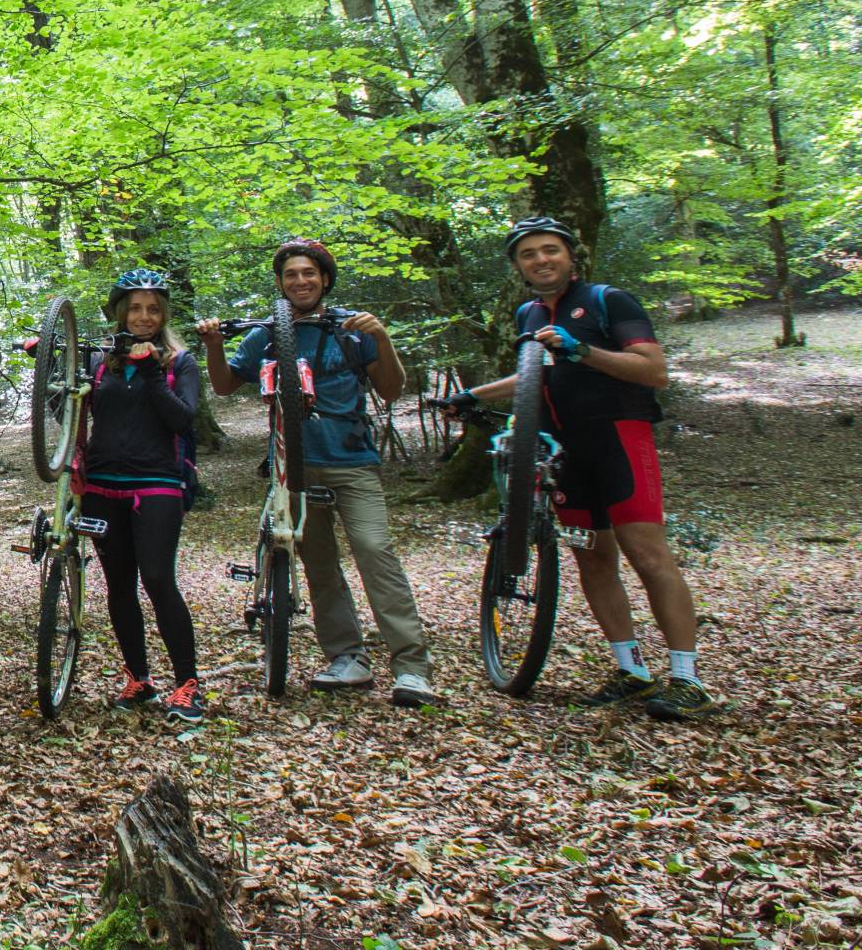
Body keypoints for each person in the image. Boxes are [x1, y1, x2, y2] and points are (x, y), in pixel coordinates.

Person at [442, 216, 710, 720]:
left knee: (649, 557)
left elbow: (654, 371)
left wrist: (583, 349)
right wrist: (469, 396)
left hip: (619, 440)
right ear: (518, 266)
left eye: (550, 251)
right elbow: (534, 376)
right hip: (564, 452)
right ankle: (631, 670)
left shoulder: (611, 300)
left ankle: (687, 678)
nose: (541, 260)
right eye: (528, 254)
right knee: (593, 560)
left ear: (570, 255)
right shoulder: (528, 314)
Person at [197, 238, 437, 708]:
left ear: (325, 278)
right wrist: (213, 347)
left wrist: (382, 337)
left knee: (375, 553)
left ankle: (411, 667)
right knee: (319, 564)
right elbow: (225, 386)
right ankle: (347, 659)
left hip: (352, 461)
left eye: (309, 273)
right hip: (293, 467)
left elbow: (390, 389)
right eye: (290, 275)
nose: (300, 282)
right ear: (281, 283)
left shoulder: (351, 327)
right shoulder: (267, 332)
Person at [80, 270, 207, 723]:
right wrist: (49, 373)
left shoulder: (180, 363)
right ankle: (138, 679)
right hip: (101, 486)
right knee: (119, 586)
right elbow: (70, 413)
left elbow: (182, 421)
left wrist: (153, 370)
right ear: (120, 312)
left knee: (157, 579)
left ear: (164, 315)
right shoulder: (99, 361)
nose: (144, 317)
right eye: (135, 308)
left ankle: (187, 684)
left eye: (153, 309)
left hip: (156, 485)